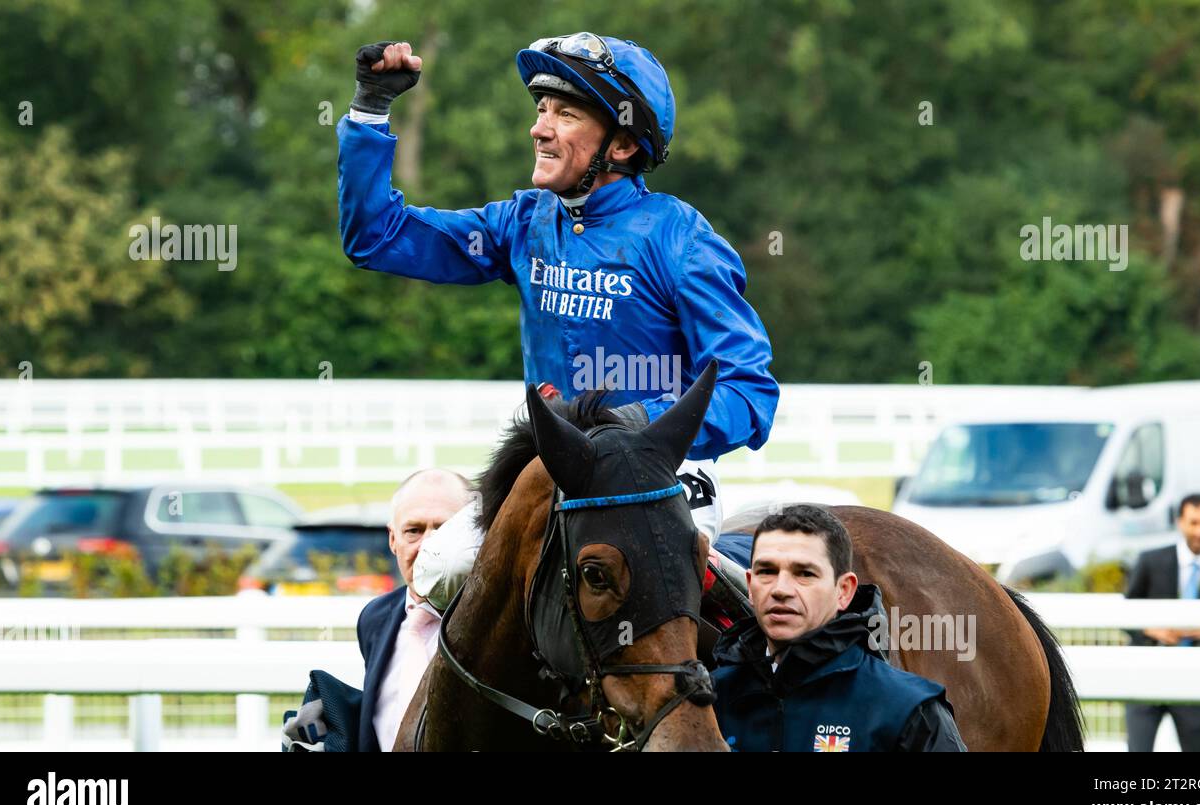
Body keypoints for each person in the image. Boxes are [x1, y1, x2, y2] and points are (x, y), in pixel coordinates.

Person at [336, 32, 780, 544]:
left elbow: (748, 394)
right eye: (542, 109)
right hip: (544, 473)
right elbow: (377, 237)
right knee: (443, 573)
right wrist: (372, 107)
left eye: (565, 115)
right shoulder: (522, 222)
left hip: (658, 480)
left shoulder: (681, 240)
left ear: (623, 143)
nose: (538, 129)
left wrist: (635, 422)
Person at [712, 504, 966, 751]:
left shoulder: (909, 710)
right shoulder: (710, 702)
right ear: (749, 585)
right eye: (767, 571)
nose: (780, 589)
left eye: (805, 574)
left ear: (844, 591)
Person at [356, 468, 473, 752]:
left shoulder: (497, 622)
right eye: (413, 530)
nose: (428, 544)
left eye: (444, 529)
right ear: (393, 539)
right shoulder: (375, 618)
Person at [1124, 492, 1200, 752]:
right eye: (1194, 522)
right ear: (1180, 522)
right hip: (1147, 677)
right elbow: (1126, 615)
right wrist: (1153, 630)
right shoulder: (1149, 561)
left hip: (1196, 680)